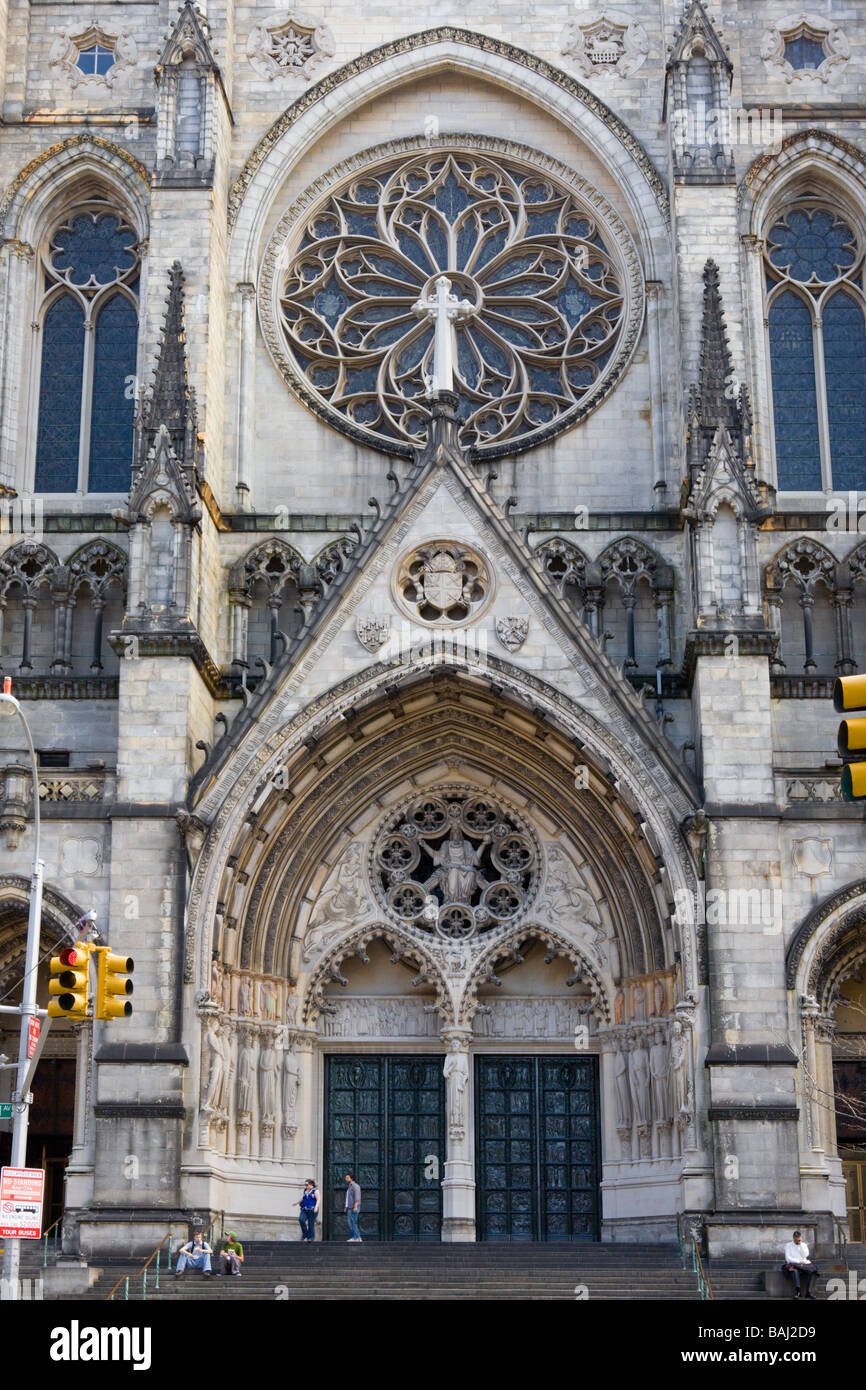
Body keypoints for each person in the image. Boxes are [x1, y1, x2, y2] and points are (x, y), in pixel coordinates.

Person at [782, 1230, 819, 1299]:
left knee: (812, 1271)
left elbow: (806, 1255)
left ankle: (808, 1292)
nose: (796, 1239)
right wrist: (799, 1262)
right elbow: (788, 1258)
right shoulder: (788, 1245)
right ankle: (798, 1292)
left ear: (800, 1237)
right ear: (793, 1237)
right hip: (793, 1264)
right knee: (794, 1271)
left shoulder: (803, 1245)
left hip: (804, 1264)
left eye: (798, 1237)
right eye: (795, 1237)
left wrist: (800, 1245)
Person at [344, 1171, 362, 1243]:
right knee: (350, 1222)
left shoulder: (355, 1186)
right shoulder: (349, 1187)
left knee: (353, 1222)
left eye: (347, 1177)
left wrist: (355, 1206)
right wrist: (346, 1207)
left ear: (351, 1178)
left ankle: (356, 1237)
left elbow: (357, 1197)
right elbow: (348, 1198)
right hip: (350, 1207)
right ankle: (355, 1237)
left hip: (354, 1207)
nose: (346, 1179)